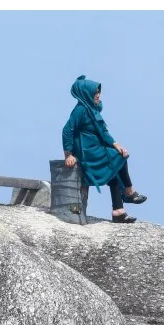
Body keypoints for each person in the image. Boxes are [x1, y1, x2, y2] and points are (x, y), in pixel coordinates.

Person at [62, 75, 147, 224]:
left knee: (114, 171)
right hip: (87, 152)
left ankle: (118, 212)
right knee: (119, 159)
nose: (98, 95)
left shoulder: (93, 110)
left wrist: (116, 144)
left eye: (98, 92)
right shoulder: (80, 110)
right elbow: (67, 131)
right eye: (95, 93)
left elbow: (103, 132)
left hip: (95, 149)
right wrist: (68, 155)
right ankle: (129, 191)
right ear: (86, 94)